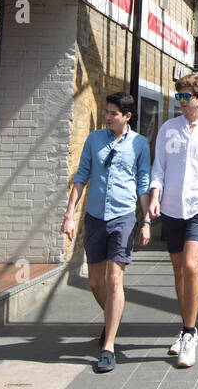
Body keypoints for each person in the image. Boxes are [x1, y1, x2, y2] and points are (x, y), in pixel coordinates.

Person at [63, 92, 151, 374]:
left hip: (123, 217)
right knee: (96, 282)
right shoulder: (94, 140)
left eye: (113, 113)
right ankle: (112, 316)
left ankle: (108, 346)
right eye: (107, 111)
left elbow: (143, 182)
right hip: (95, 216)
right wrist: (69, 214)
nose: (108, 117)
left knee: (115, 280)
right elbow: (81, 177)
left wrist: (146, 218)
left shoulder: (139, 144)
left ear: (127, 116)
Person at [148, 73, 198, 368]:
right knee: (178, 271)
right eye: (178, 96)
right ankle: (185, 326)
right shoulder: (169, 129)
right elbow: (159, 167)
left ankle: (189, 333)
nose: (181, 102)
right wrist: (155, 196)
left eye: (186, 96)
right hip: (171, 207)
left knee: (192, 265)